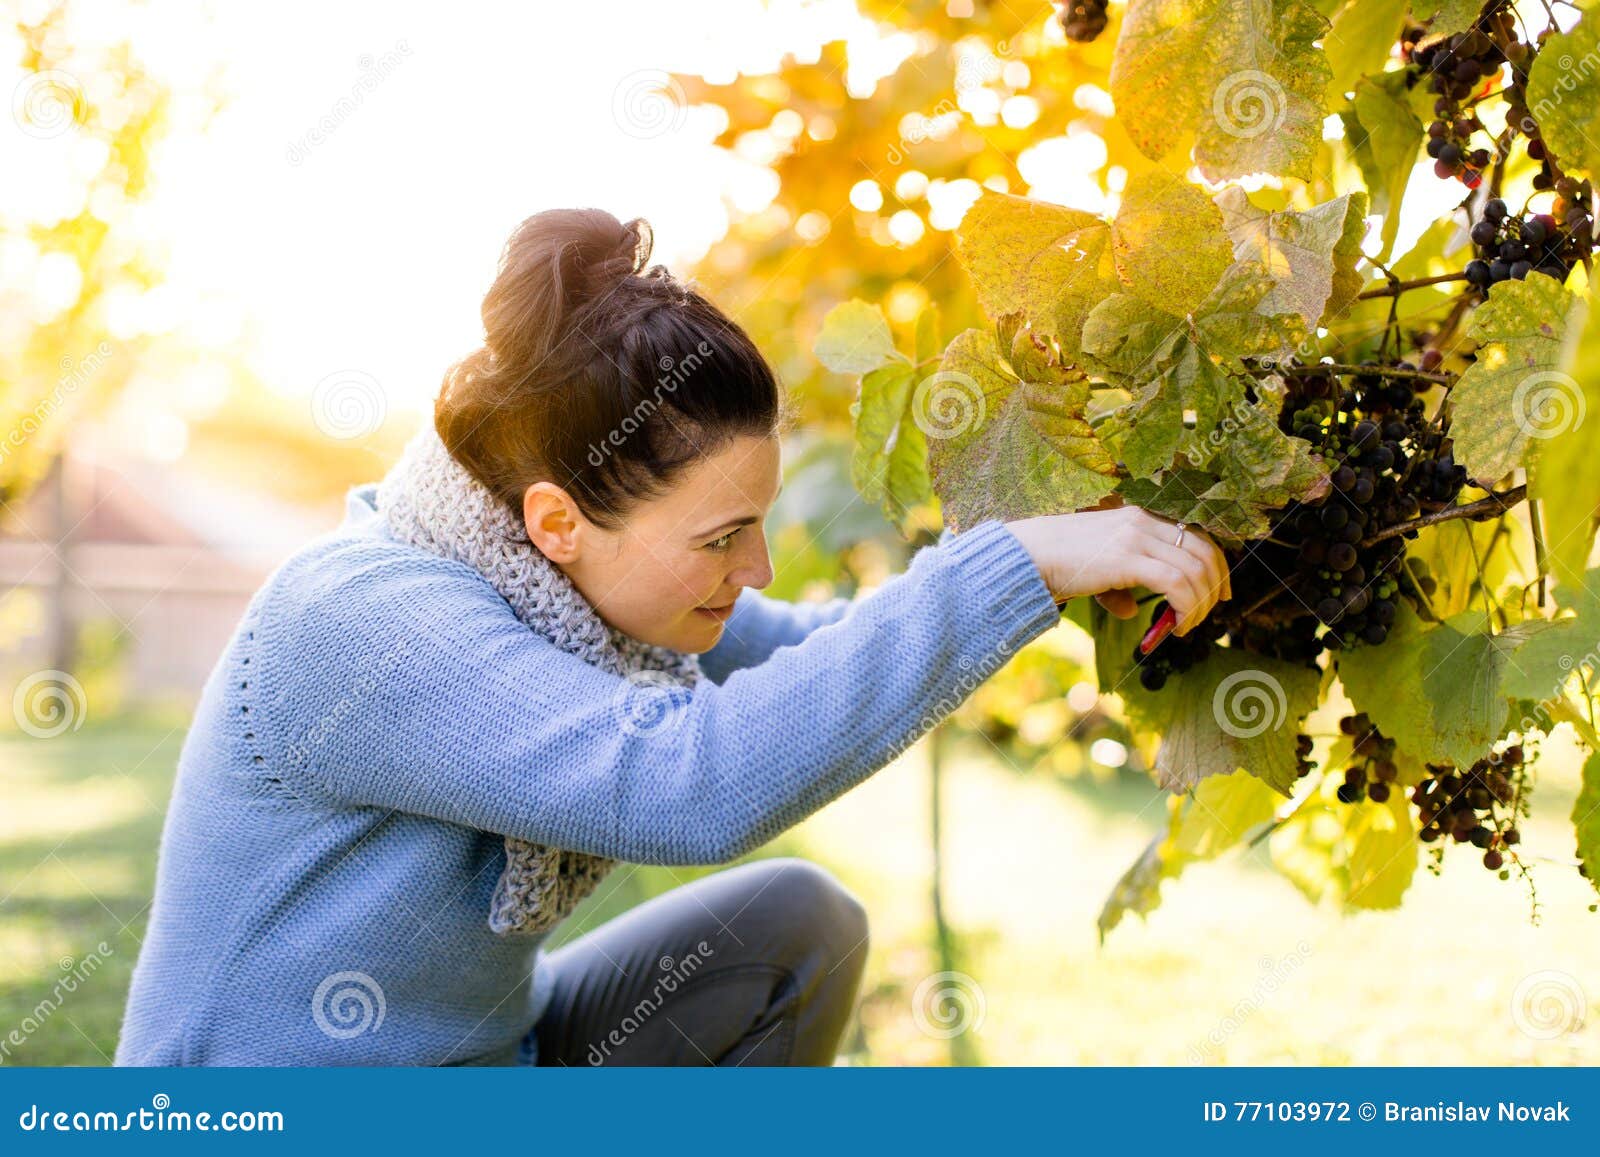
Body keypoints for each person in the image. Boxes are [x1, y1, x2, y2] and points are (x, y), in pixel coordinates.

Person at [113, 208, 1228, 1067]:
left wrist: (1074, 577)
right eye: (721, 537)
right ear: (556, 520)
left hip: (489, 1063)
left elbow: (818, 654)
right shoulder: (361, 622)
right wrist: (1018, 562)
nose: (754, 570)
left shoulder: (574, 589)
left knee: (796, 925)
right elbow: (684, 784)